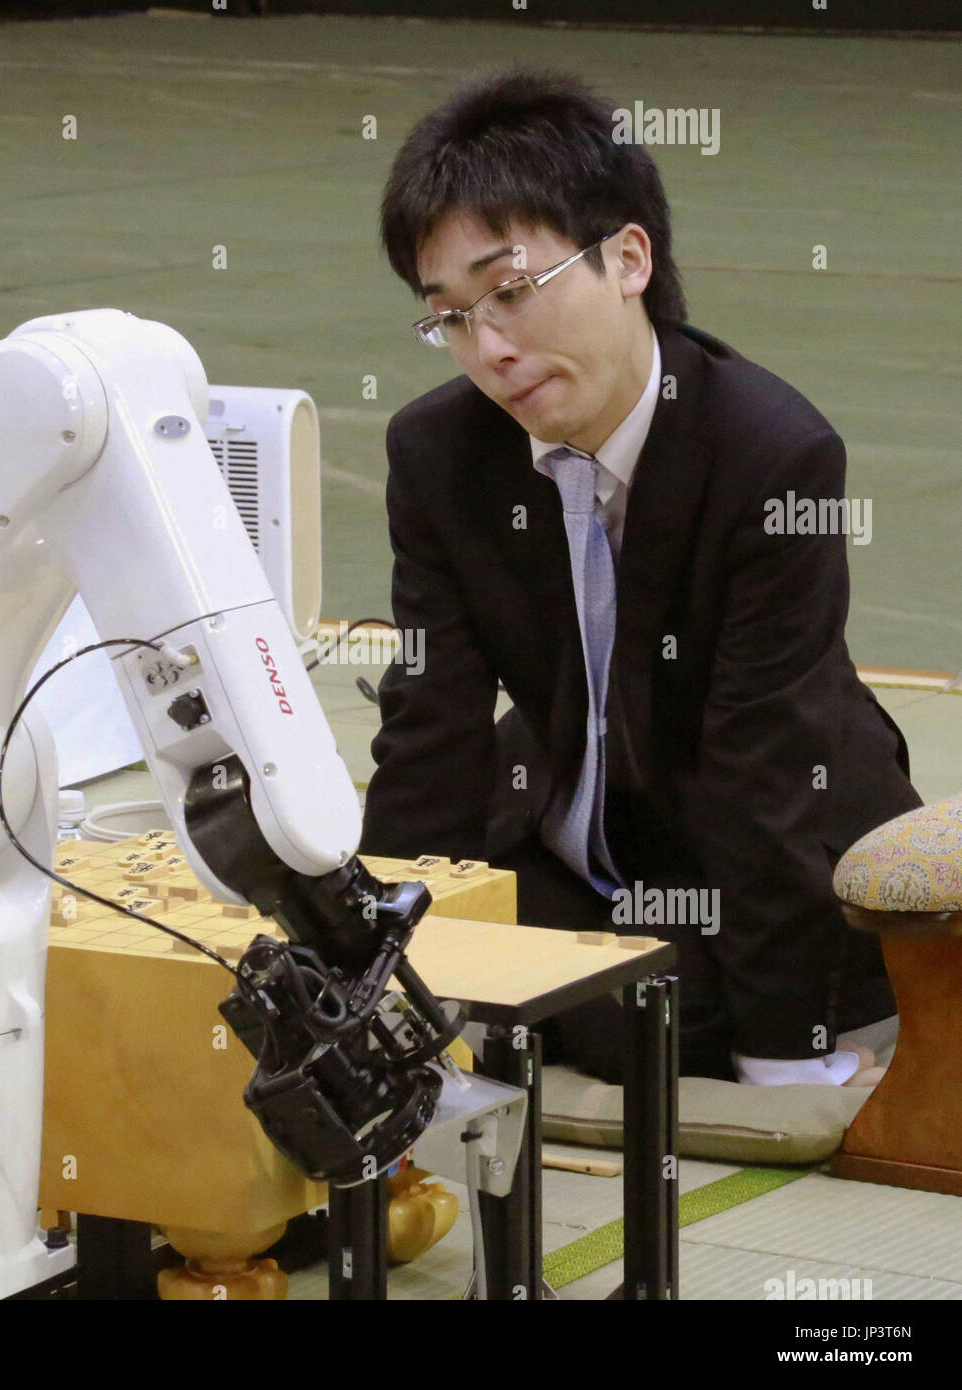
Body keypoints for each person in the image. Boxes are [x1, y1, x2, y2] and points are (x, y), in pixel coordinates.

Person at [358, 64, 919, 1088]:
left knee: (651, 1027)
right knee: (410, 963)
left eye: (511, 291)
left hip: (762, 846)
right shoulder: (437, 453)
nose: (487, 349)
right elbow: (431, 725)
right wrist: (383, 999)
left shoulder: (774, 455)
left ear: (626, 259)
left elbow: (768, 768)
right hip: (569, 824)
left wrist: (780, 1055)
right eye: (448, 316)